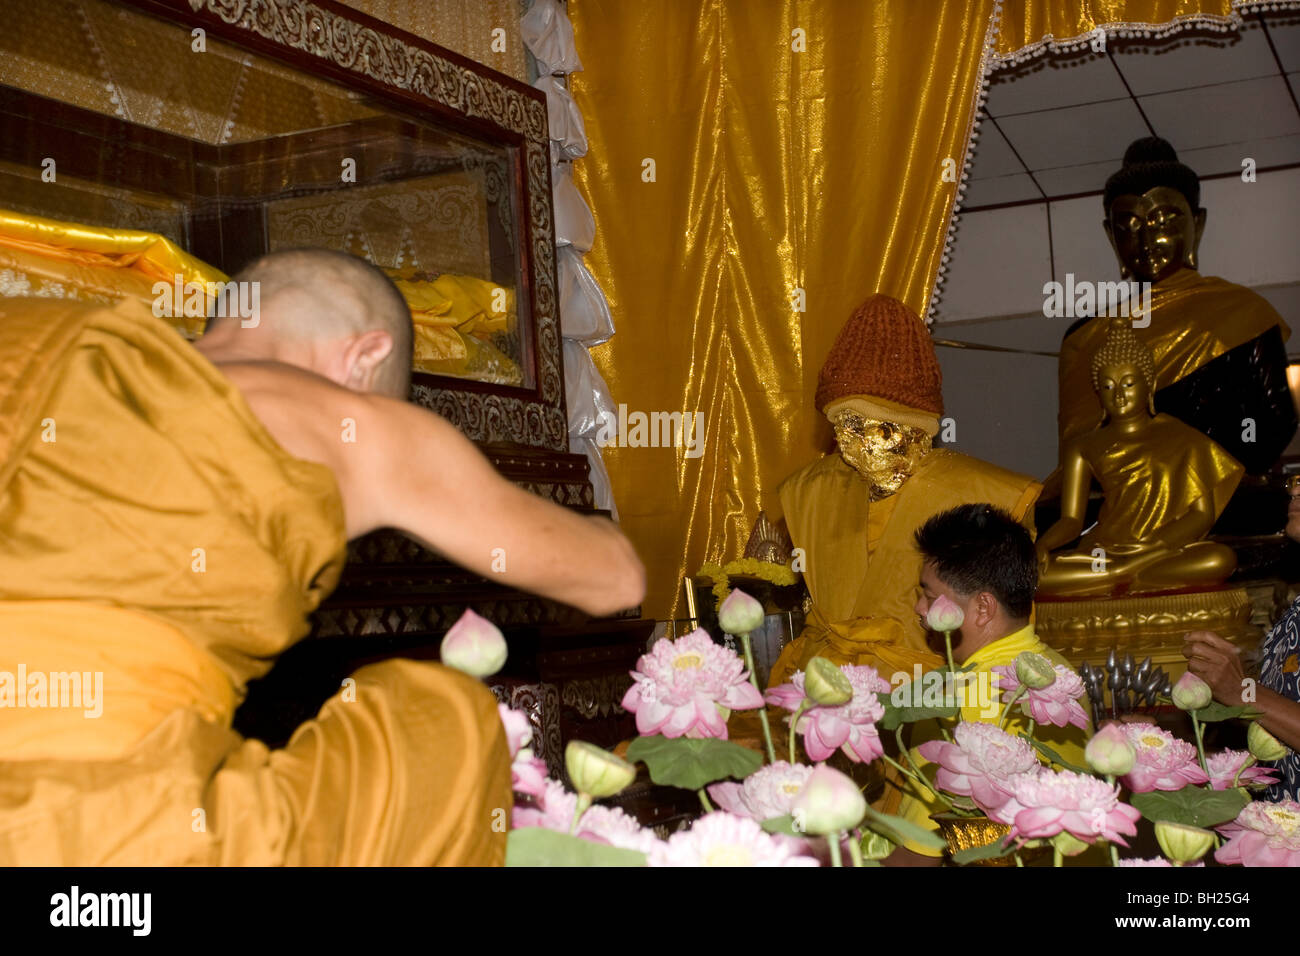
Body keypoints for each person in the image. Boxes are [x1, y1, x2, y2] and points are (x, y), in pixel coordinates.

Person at [0, 248, 645, 865]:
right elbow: (612, 578)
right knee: (447, 717)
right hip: (91, 827)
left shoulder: (39, 334)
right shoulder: (352, 424)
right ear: (366, 356)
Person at [764, 295, 1041, 688]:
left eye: (870, 427)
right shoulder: (810, 493)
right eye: (841, 424)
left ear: (918, 430)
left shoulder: (991, 498)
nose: (851, 442)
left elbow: (1009, 638)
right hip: (825, 690)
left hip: (936, 699)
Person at [1057, 137, 1294, 482]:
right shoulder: (1086, 337)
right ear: (1111, 237)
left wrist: (1208, 473)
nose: (1147, 240)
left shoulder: (1243, 313)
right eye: (1129, 227)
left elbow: (1275, 421)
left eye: (1164, 221)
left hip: (1224, 494)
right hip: (1126, 500)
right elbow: (1078, 454)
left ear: (1196, 225)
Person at [884, 504, 1092, 866]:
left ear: (982, 608)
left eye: (930, 597)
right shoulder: (1055, 669)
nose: (918, 608)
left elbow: (918, 858)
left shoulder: (957, 700)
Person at [1038, 317, 1240, 596]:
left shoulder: (1183, 437)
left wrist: (1151, 548)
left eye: (1129, 383)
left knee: (1219, 559)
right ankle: (1129, 578)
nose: (1118, 395)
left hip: (1162, 551)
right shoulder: (1083, 446)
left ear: (1150, 384)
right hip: (1106, 554)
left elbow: (1202, 516)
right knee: (1037, 578)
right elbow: (1071, 521)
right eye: (1108, 386)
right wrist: (1042, 546)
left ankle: (1123, 579)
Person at [1183, 473, 1300, 802]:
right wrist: (1165, 749)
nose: (1294, 489)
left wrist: (1243, 693)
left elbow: (1255, 700)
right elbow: (1276, 724)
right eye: (1295, 480)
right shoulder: (1294, 612)